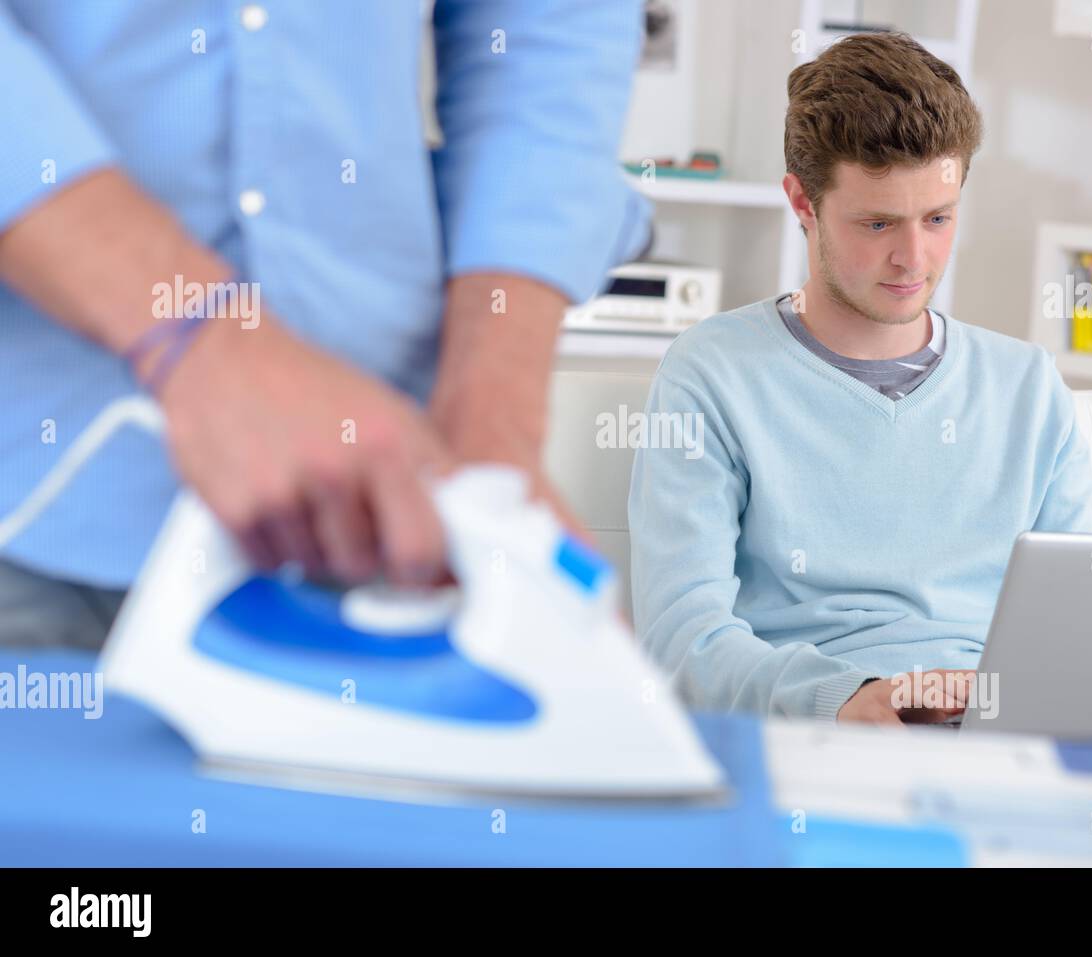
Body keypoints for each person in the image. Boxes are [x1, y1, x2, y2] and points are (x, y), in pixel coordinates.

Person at [0, 0, 651, 649]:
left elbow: (550, 30)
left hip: (386, 495)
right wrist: (201, 338)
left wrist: (491, 432)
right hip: (32, 496)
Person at [628, 31, 1092, 725]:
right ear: (803, 203)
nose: (914, 257)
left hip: (997, 731)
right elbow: (681, 637)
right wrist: (842, 697)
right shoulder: (711, 374)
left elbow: (1080, 628)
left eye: (937, 219)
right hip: (813, 729)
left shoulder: (1028, 387)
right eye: (878, 224)